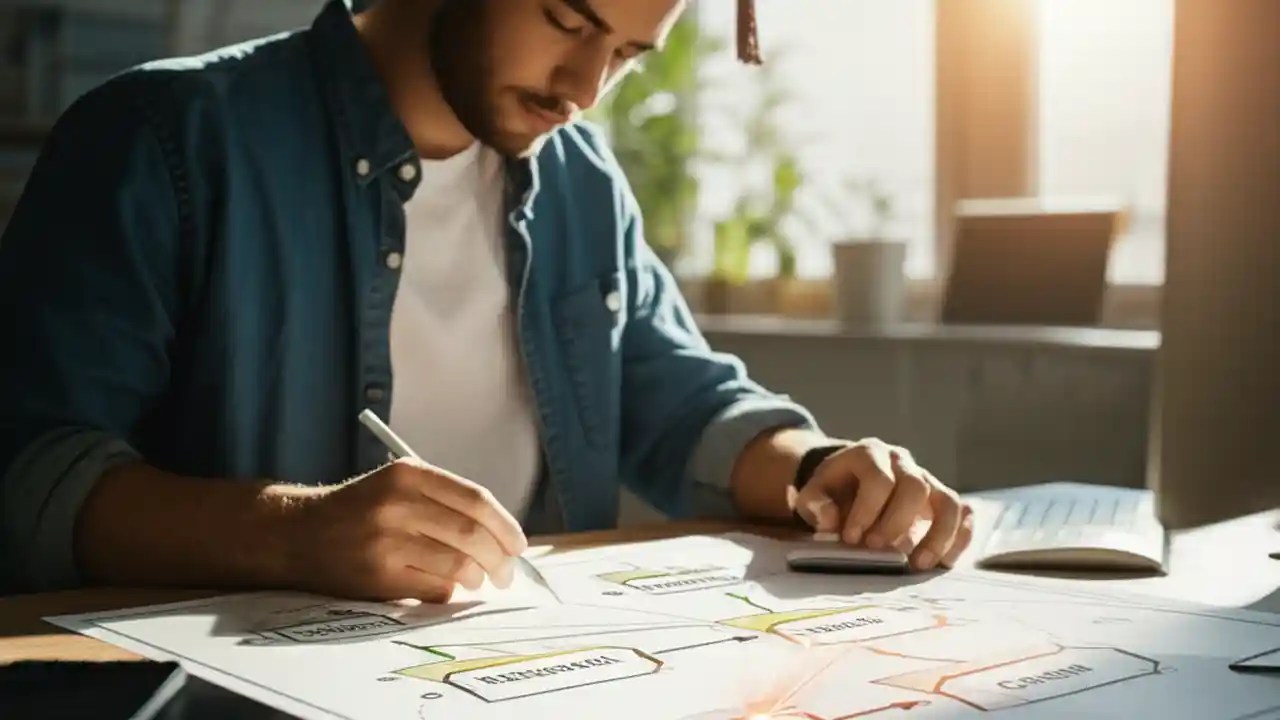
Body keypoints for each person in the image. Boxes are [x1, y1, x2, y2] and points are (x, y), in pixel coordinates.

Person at [0, 0, 973, 601]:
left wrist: (820, 466)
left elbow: (674, 401)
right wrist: (293, 536)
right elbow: (31, 477)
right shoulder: (162, 140)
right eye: (566, 18)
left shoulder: (582, 179)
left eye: (628, 54)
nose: (586, 88)